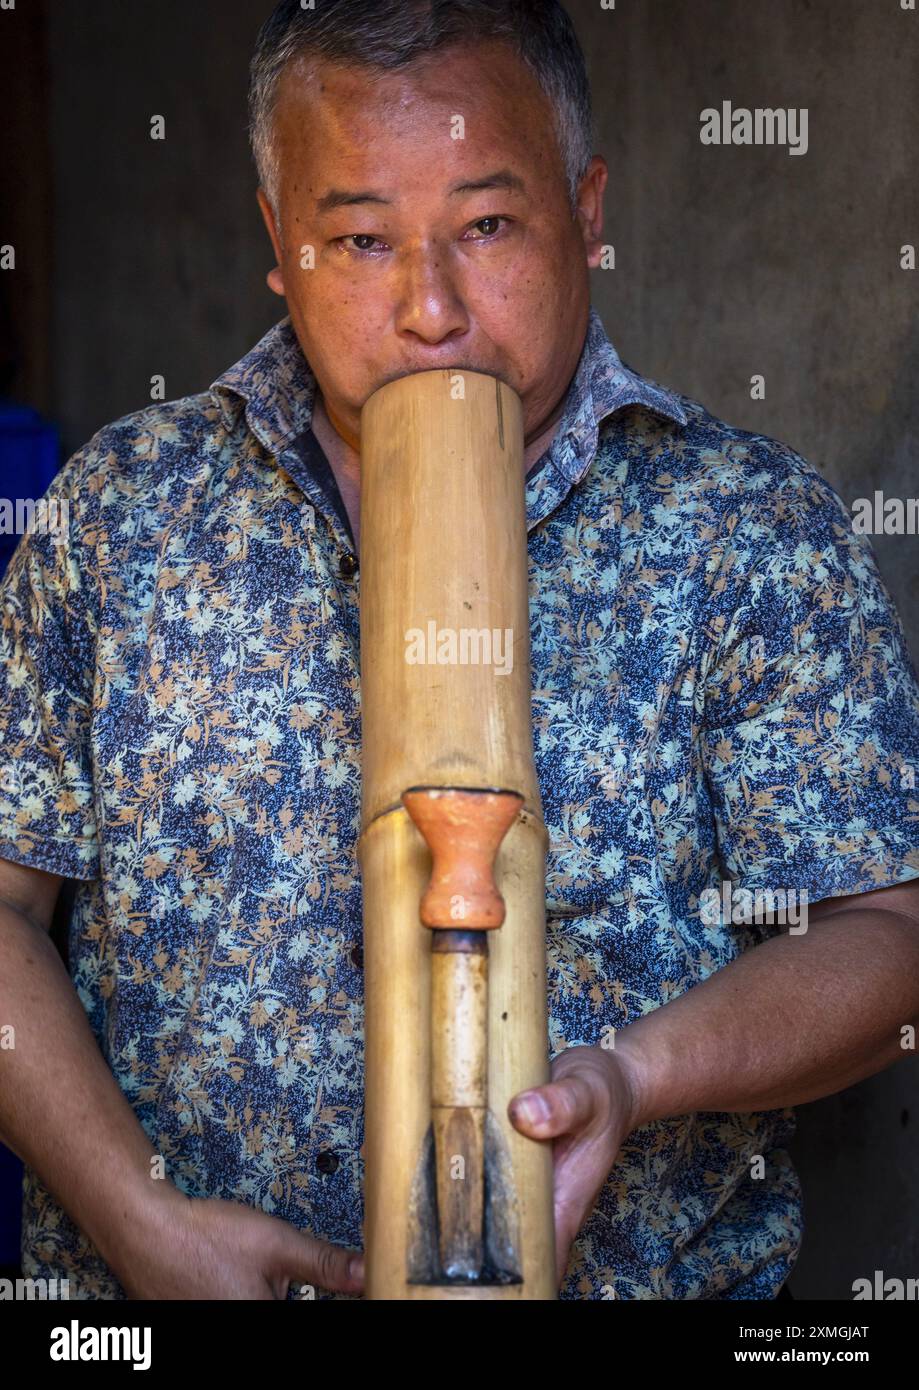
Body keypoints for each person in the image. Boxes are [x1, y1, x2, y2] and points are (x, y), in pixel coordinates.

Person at [1, 0, 918, 1302]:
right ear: (280, 240)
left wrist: (634, 1076)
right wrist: (137, 1216)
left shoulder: (749, 528)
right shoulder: (123, 510)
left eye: (487, 227)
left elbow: (892, 939)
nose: (429, 307)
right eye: (362, 240)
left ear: (588, 208)